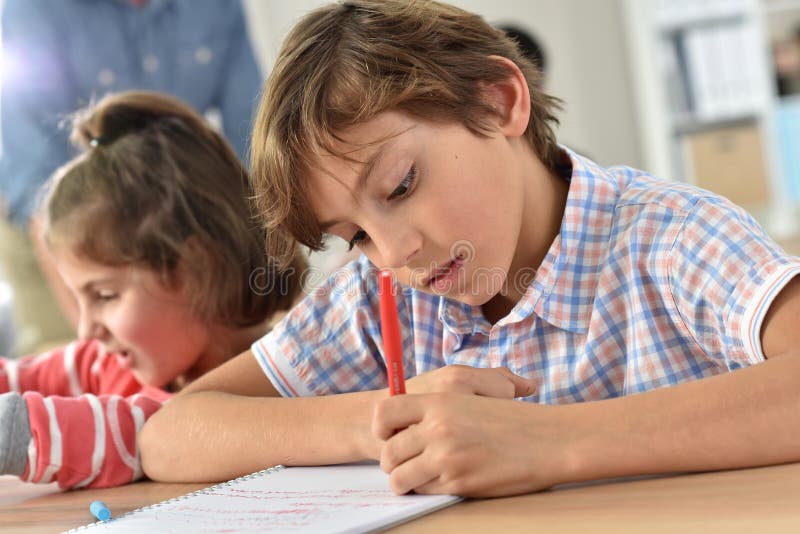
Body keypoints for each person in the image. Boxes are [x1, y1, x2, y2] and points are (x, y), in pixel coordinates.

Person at [142, 0, 800, 498]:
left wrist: (548, 442)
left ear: (498, 101)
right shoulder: (381, 299)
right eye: (356, 236)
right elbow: (173, 434)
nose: (396, 251)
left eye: (402, 185)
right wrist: (391, 420)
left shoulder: (668, 236)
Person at [0, 91, 303, 489]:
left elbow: (144, 429)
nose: (87, 329)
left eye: (105, 296)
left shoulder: (279, 377)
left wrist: (12, 433)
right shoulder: (104, 363)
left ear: (194, 268)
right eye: (81, 299)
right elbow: (17, 377)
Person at [0, 0, 263, 354]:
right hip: (56, 234)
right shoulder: (30, 12)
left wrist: (266, 294)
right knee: (81, 372)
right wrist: (103, 352)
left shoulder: (216, 6)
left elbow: (254, 152)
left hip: (174, 220)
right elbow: (40, 195)